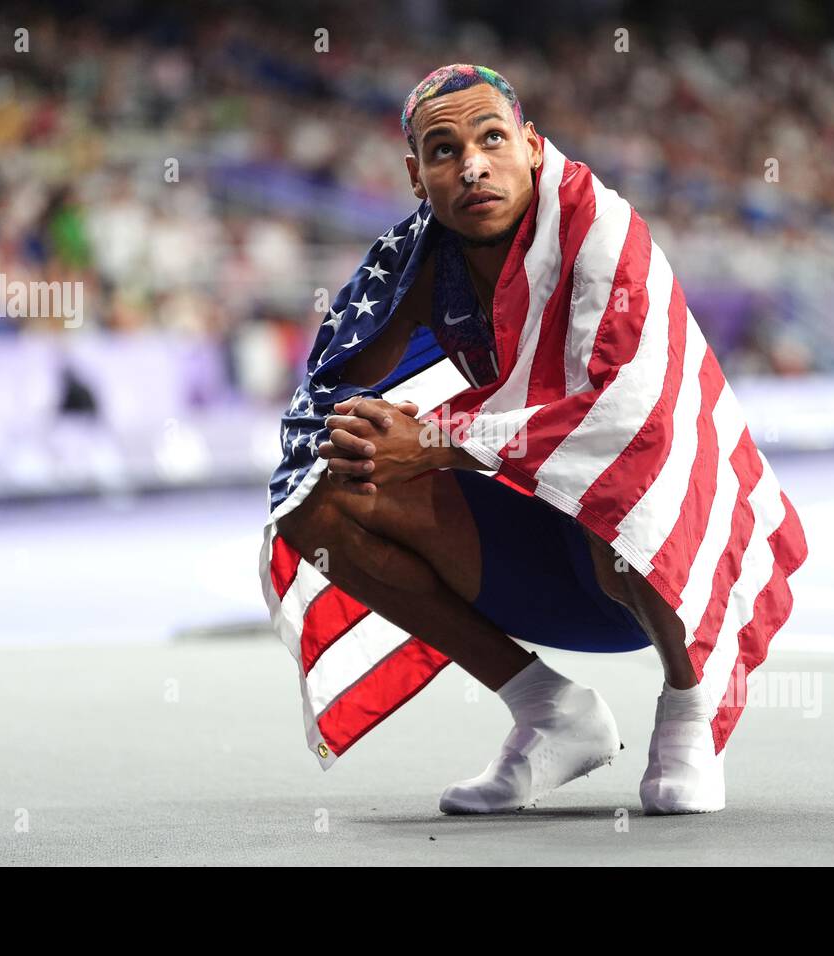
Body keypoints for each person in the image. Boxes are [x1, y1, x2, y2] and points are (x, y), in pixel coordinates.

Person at [273, 65, 723, 814]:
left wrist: (433, 438)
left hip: (658, 558)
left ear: (534, 147)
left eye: (492, 138)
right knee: (318, 498)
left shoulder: (603, 232)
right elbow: (323, 395)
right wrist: (359, 433)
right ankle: (551, 713)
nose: (472, 164)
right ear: (418, 177)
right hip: (535, 556)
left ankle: (689, 707)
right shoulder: (413, 263)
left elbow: (623, 416)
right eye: (444, 150)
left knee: (620, 476)